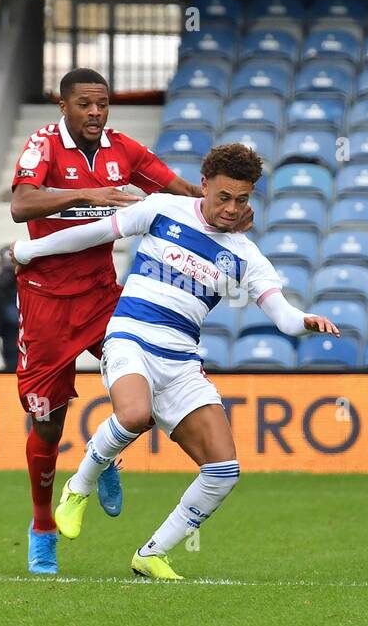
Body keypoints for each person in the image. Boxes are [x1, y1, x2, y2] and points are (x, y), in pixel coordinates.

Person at [12, 143, 339, 579]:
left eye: (241, 199)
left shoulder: (246, 256)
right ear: (203, 185)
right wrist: (33, 251)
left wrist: (306, 321)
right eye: (223, 197)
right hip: (130, 336)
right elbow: (95, 233)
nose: (231, 208)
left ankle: (151, 554)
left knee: (224, 470)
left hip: (181, 359)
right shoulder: (163, 208)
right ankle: (79, 485)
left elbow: (282, 315)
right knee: (134, 414)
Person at [11, 68, 218, 574]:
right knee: (47, 424)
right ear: (64, 107)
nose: (96, 113)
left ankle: (100, 459)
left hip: (105, 298)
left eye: (102, 104)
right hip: (45, 304)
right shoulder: (43, 147)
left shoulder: (122, 149)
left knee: (140, 393)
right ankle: (42, 528)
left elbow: (181, 189)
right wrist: (88, 195)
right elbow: (21, 205)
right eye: (85, 104)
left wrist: (223, 207)